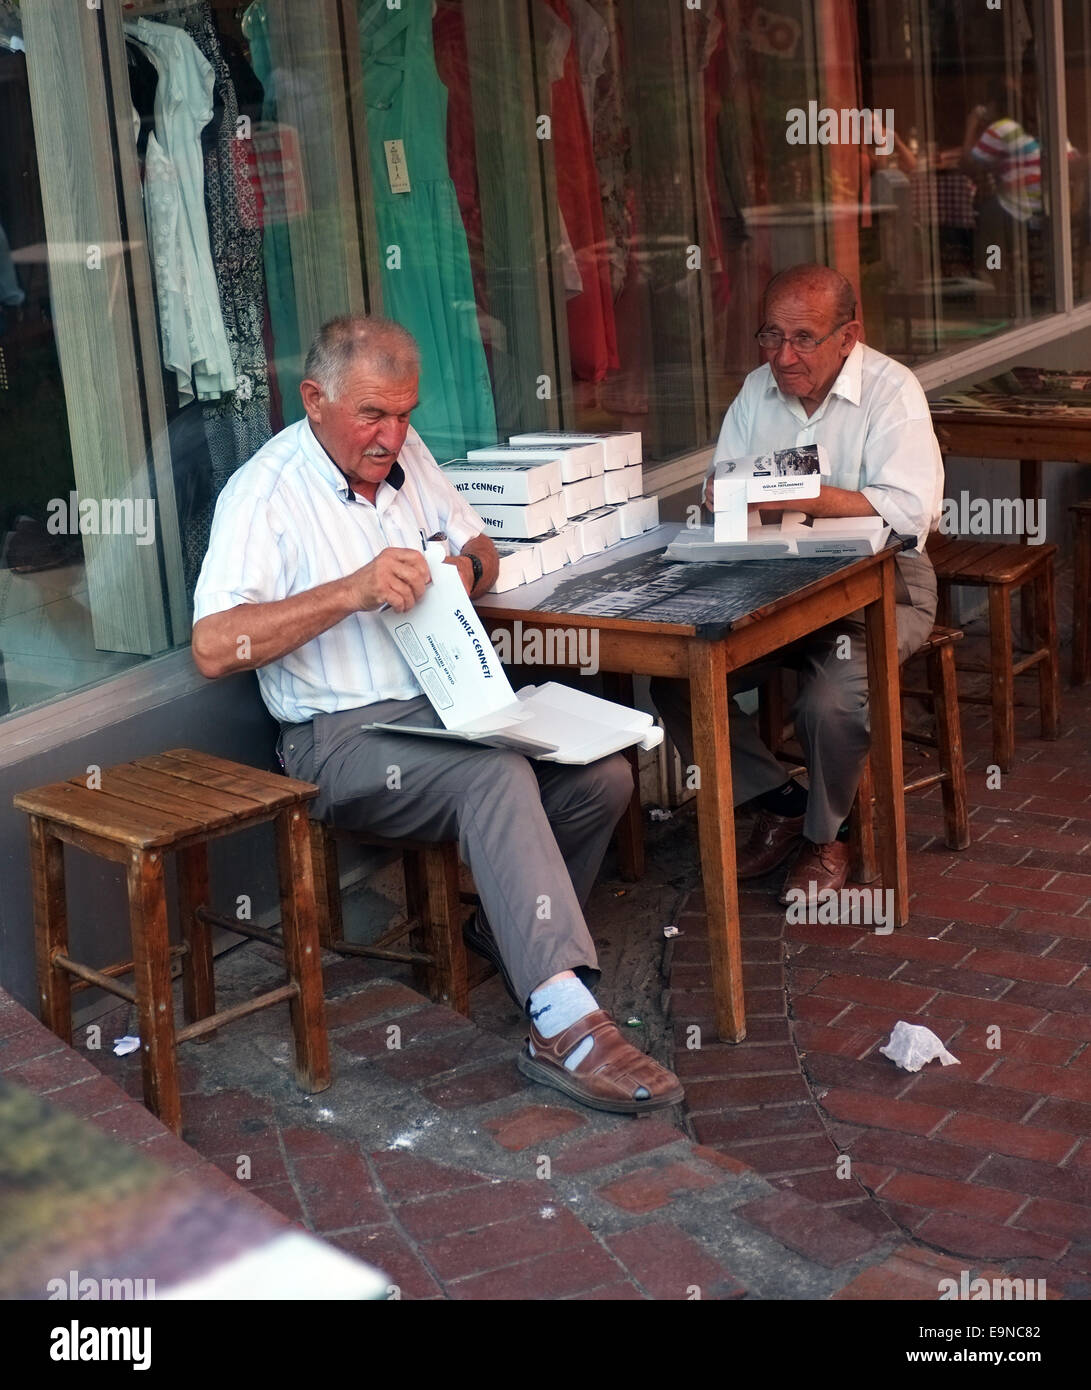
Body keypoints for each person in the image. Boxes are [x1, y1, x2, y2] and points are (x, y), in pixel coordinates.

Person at [190, 314, 682, 1115]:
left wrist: (455, 568)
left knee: (601, 778)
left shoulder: (405, 457)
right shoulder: (264, 494)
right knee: (493, 777)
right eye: (371, 416)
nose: (391, 436)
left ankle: (510, 930)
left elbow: (484, 549)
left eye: (404, 414)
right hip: (340, 741)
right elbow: (213, 647)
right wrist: (349, 590)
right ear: (314, 399)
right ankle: (562, 1024)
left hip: (446, 706)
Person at [652, 264, 943, 907]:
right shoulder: (757, 390)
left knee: (830, 701)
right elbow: (726, 486)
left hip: (883, 584)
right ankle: (780, 801)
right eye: (771, 336)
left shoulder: (892, 391)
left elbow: (908, 511)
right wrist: (724, 493)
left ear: (848, 336)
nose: (784, 357)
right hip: (772, 580)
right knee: (676, 675)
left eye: (804, 338)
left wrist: (798, 492)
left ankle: (825, 834)